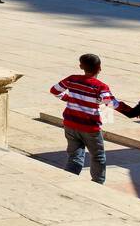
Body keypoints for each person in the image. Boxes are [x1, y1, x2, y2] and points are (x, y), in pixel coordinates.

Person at [50, 53, 119, 184]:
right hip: (90, 128)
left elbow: (54, 90)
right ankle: (97, 183)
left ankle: (69, 179)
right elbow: (110, 103)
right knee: (98, 156)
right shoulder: (101, 86)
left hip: (70, 124)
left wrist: (68, 98)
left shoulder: (72, 79)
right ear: (99, 68)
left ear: (81, 66)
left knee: (74, 156)